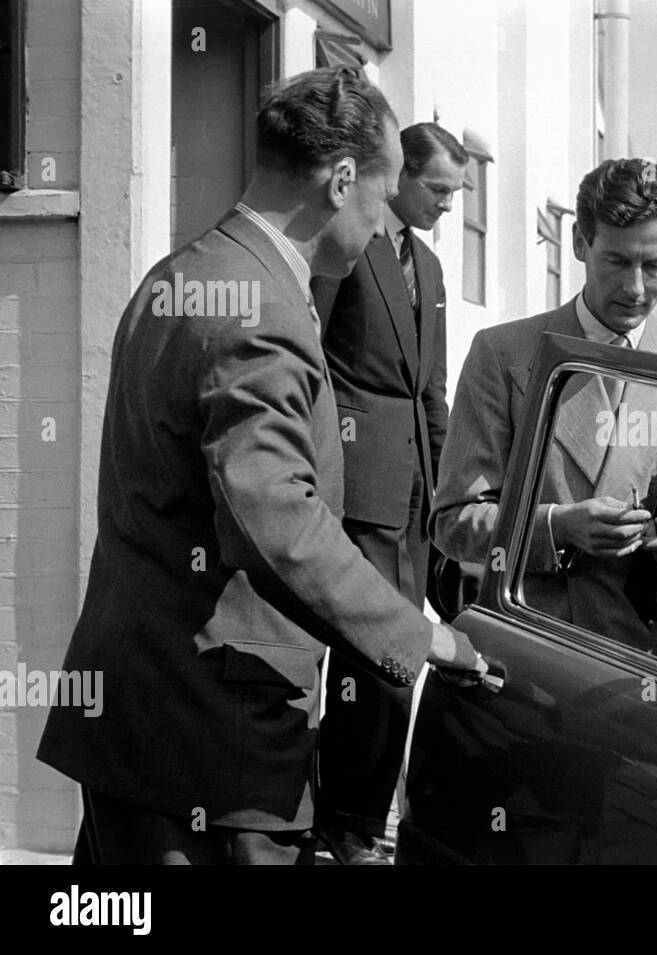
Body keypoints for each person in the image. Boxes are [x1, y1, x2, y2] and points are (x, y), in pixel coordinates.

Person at [37, 67, 484, 866]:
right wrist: (422, 639)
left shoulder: (184, 274)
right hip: (212, 744)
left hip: (139, 724)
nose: (383, 226)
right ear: (341, 181)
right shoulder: (262, 311)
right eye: (382, 203)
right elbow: (274, 518)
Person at [433, 158, 657, 660]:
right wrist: (556, 526)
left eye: (654, 266)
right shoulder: (503, 355)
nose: (635, 288)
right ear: (579, 243)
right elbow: (453, 522)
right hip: (536, 658)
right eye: (616, 262)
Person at [309, 122, 467, 864]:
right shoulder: (350, 243)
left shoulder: (430, 268)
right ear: (401, 174)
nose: (446, 202)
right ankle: (346, 824)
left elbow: (429, 387)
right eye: (437, 188)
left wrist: (442, 491)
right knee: (376, 660)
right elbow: (313, 353)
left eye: (454, 193)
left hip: (412, 497)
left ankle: (357, 819)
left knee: (393, 661)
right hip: (353, 481)